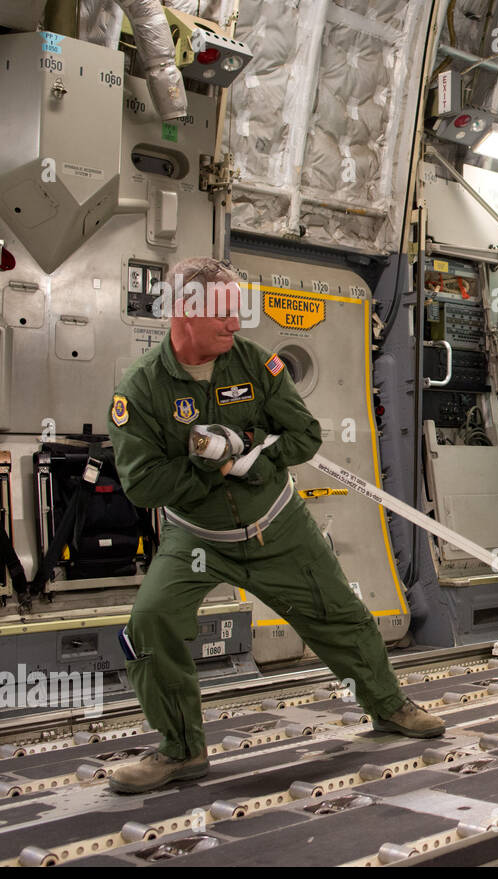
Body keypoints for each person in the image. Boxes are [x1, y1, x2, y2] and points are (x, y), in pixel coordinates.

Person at [106, 257, 442, 795]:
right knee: (149, 623)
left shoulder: (255, 365)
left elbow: (303, 434)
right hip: (198, 539)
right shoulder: (141, 390)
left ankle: (389, 707)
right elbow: (143, 484)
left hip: (276, 524)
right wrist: (212, 471)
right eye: (223, 314)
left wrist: (255, 462)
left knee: (341, 616)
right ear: (183, 313)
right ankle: (180, 749)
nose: (236, 324)